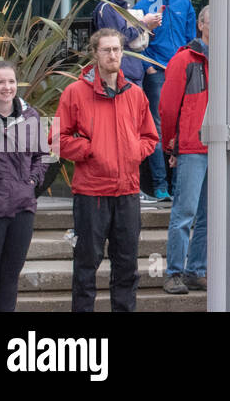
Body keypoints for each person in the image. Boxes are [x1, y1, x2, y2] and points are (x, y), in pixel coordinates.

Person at [59, 29, 159, 312]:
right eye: (107, 50)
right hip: (91, 193)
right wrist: (90, 149)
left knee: (127, 267)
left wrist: (132, 152)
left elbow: (150, 137)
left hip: (127, 191)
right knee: (85, 266)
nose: (113, 55)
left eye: (117, 49)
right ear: (95, 54)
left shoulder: (136, 94)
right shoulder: (74, 92)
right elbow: (57, 139)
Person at [0, 60, 49, 312]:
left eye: (11, 81)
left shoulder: (31, 115)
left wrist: (33, 180)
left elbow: (43, 156)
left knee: (10, 276)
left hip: (22, 207)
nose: (7, 87)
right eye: (0, 82)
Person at [90, 0, 162, 204]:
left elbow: (132, 40)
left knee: (134, 131)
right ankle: (124, 185)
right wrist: (144, 25)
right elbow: (118, 39)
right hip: (118, 76)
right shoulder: (107, 8)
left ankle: (132, 185)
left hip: (134, 72)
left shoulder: (127, 9)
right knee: (120, 131)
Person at [157, 6, 211, 295]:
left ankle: (196, 270)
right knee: (185, 212)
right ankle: (174, 272)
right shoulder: (184, 60)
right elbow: (167, 107)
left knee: (208, 215)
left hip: (220, 146)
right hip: (191, 146)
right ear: (201, 25)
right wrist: (171, 144)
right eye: (213, 22)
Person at [136, 0, 196, 202]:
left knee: (184, 125)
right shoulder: (144, 4)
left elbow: (192, 37)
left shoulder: (184, 2)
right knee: (158, 127)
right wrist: (147, 66)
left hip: (182, 70)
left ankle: (178, 186)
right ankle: (160, 185)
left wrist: (190, 64)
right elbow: (135, 40)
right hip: (158, 72)